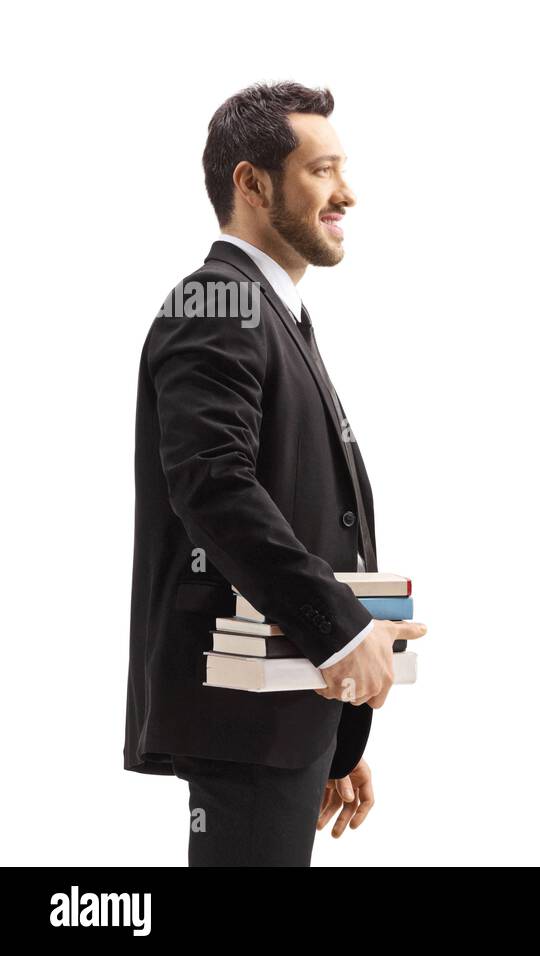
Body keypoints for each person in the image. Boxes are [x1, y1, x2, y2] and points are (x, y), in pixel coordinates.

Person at [124, 82, 426, 865]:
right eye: (322, 171)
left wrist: (327, 729)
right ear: (253, 184)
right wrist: (338, 638)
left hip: (282, 720)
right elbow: (214, 489)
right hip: (245, 721)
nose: (347, 193)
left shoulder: (269, 308)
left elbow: (289, 508)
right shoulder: (220, 301)